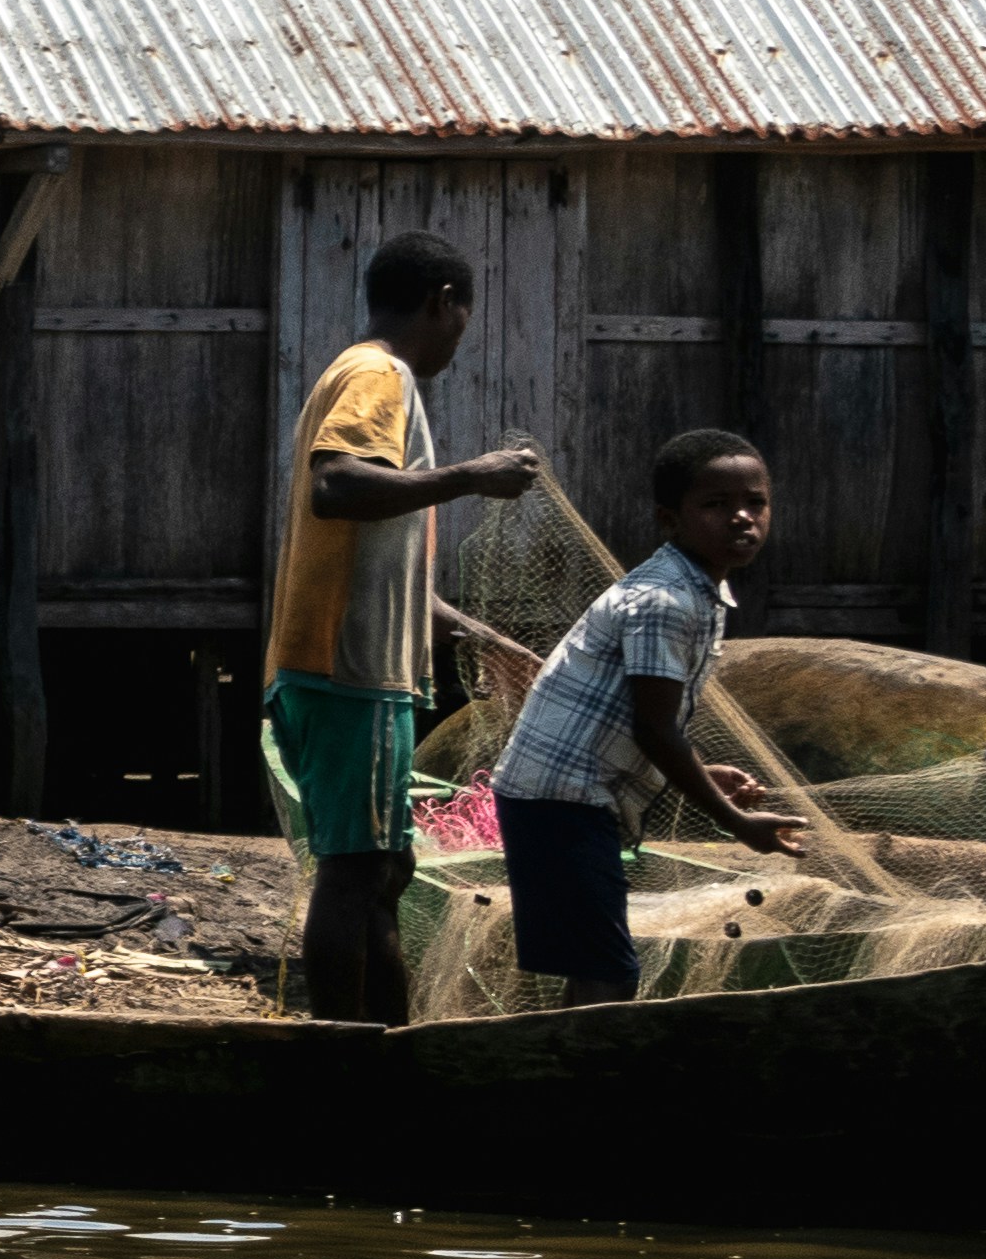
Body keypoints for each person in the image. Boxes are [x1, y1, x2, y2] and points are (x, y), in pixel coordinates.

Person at [266, 230, 547, 1023]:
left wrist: (474, 635)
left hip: (358, 669)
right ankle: (341, 1052)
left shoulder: (370, 378)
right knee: (353, 873)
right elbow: (337, 486)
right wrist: (470, 477)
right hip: (346, 670)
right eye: (464, 317)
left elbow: (380, 561)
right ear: (442, 303)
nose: (461, 335)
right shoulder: (376, 373)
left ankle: (393, 1042)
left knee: (383, 873)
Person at [484, 429, 801, 1005]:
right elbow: (652, 730)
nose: (740, 517)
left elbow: (651, 720)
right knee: (607, 972)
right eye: (715, 505)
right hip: (560, 798)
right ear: (669, 519)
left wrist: (706, 773)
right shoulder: (665, 601)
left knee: (596, 964)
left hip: (569, 797)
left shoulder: (697, 590)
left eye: (754, 502)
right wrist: (732, 819)